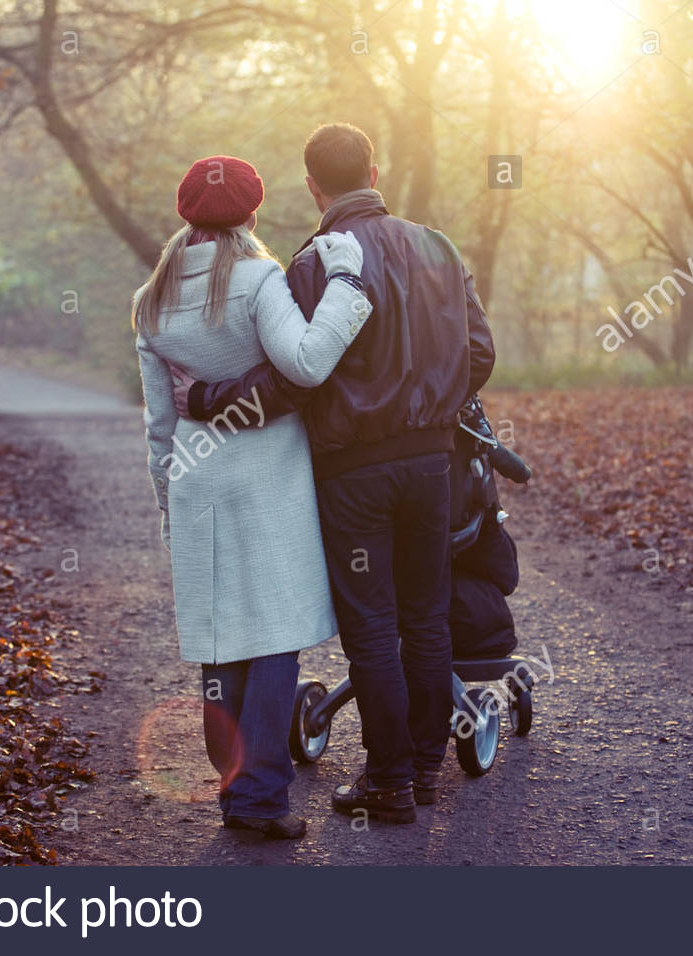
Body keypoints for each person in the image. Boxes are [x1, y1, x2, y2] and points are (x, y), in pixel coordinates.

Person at [175, 124, 495, 824]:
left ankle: (388, 780)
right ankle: (423, 771)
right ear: (375, 171)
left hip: (354, 473)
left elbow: (295, 380)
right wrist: (433, 411)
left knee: (374, 629)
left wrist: (204, 400)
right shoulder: (436, 246)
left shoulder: (314, 262)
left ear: (312, 186)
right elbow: (479, 351)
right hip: (430, 464)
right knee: (428, 617)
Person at [133, 155, 371, 840]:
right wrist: (347, 281)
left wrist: (166, 500)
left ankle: (237, 788)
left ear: (186, 216)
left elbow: (159, 423)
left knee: (220, 636)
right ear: (252, 215)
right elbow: (305, 362)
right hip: (267, 478)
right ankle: (262, 798)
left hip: (196, 476)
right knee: (272, 635)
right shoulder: (258, 278)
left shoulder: (152, 300)